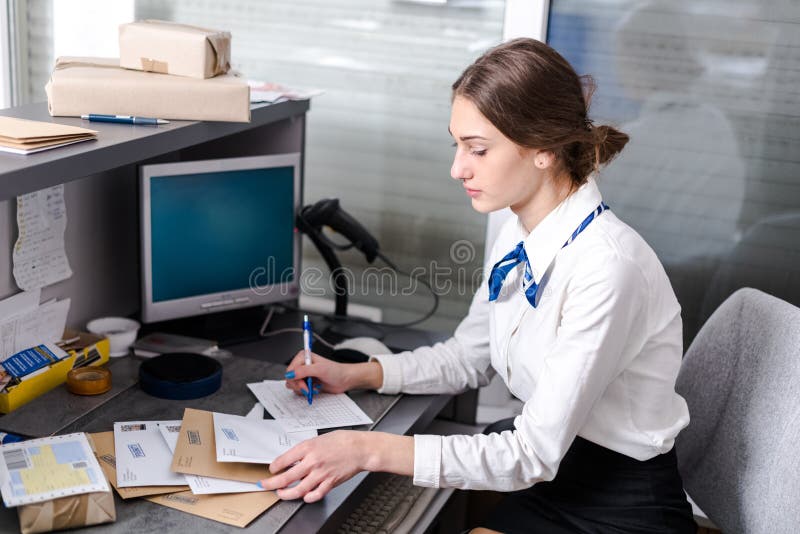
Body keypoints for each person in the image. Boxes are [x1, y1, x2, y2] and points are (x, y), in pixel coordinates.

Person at [260, 38, 696, 533]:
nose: (457, 168)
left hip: (619, 508)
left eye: (478, 149)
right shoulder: (519, 231)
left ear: (545, 151)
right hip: (553, 478)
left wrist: (364, 449)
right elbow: (469, 357)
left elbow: (531, 453)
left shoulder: (606, 269)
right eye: (458, 144)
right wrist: (357, 375)